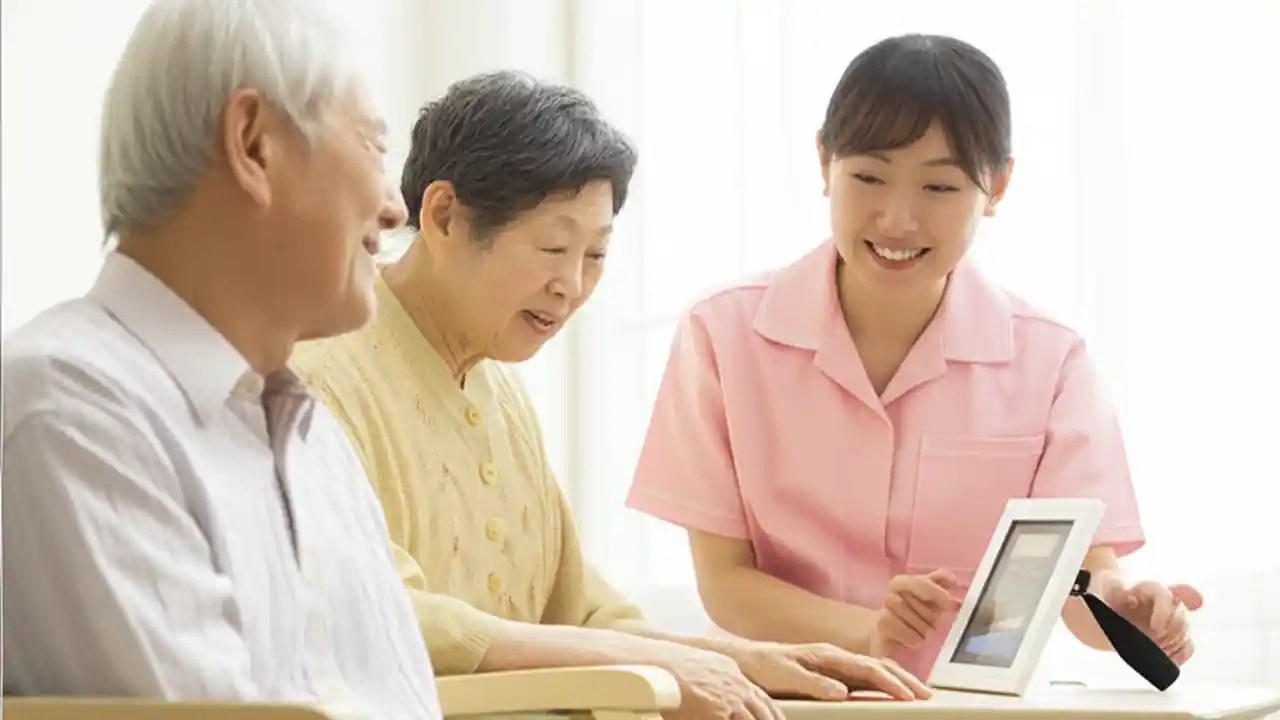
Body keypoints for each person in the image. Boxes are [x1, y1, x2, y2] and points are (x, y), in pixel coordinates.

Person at [292, 69, 930, 718]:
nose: (571, 284)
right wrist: (665, 664)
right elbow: (373, 609)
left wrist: (747, 658)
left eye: (595, 255)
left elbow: (581, 611)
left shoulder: (499, 390)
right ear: (444, 216)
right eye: (552, 247)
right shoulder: (314, 375)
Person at [626, 34, 1203, 681]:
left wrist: (1128, 607)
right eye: (868, 177)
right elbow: (726, 584)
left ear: (997, 185)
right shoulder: (723, 335)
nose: (897, 219)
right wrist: (868, 630)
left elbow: (1080, 580)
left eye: (938, 187)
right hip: (785, 696)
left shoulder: (1052, 362)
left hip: (962, 705)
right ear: (824, 163)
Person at [1, 0, 442, 716]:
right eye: (371, 145)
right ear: (253, 144)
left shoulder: (314, 440)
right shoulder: (68, 411)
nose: (395, 207)